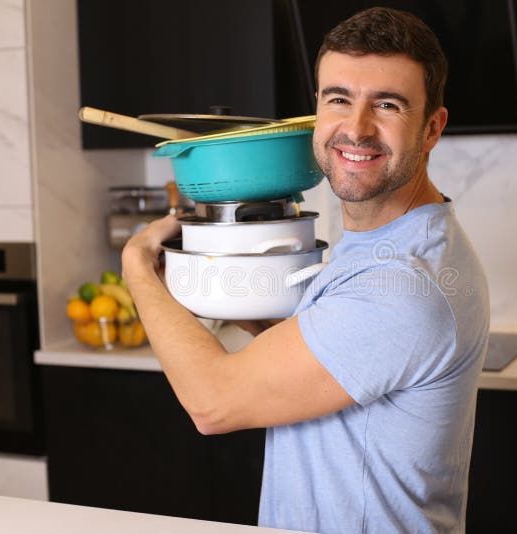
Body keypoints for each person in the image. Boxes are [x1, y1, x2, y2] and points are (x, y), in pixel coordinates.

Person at [121, 7, 489, 533]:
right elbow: (333, 357)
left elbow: (212, 402)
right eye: (338, 99)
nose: (356, 129)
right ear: (315, 109)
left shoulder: (403, 283)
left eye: (387, 104)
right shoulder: (389, 244)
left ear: (432, 128)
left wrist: (138, 266)